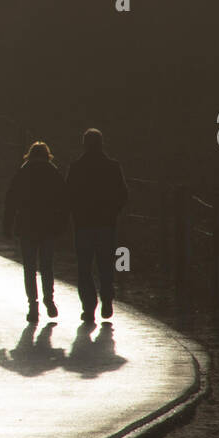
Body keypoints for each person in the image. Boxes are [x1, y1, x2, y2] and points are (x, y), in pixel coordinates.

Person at [65, 128, 129, 323]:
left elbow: (67, 195)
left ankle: (88, 307)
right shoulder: (113, 166)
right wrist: (113, 212)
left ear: (84, 144)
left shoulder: (76, 167)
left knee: (84, 268)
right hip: (106, 224)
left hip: (83, 224)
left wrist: (74, 214)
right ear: (102, 144)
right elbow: (123, 194)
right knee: (105, 266)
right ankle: (107, 299)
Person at [3, 141, 68, 323]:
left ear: (29, 155)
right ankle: (49, 298)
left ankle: (33, 306)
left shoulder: (23, 172)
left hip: (27, 226)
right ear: (47, 155)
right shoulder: (53, 173)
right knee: (47, 266)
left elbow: (11, 200)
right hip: (48, 226)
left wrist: (7, 225)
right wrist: (63, 225)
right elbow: (63, 201)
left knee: (30, 268)